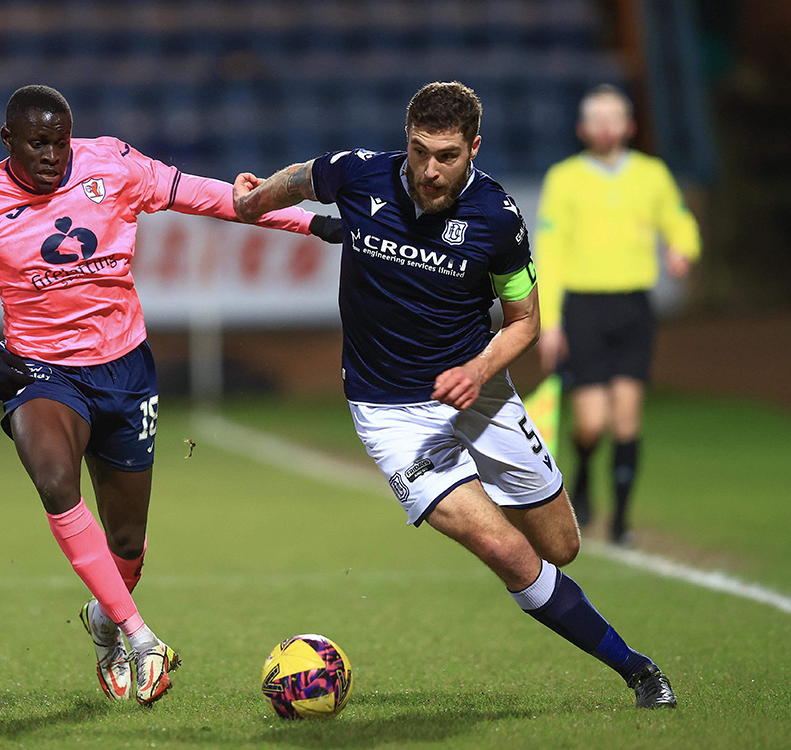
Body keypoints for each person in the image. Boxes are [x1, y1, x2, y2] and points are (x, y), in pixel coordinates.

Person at [233, 81, 676, 709]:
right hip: (390, 413)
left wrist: (478, 368)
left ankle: (479, 482)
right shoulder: (358, 176)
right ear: (405, 142)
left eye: (447, 155)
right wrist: (255, 202)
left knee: (562, 547)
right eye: (419, 152)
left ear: (474, 148)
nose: (430, 170)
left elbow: (526, 320)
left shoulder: (498, 218)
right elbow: (303, 176)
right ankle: (639, 671)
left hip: (482, 396)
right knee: (506, 550)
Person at [0, 84, 339, 705]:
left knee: (128, 544)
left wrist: (312, 223)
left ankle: (107, 621)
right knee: (56, 482)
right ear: (8, 141)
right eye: (38, 144)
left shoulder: (112, 165)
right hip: (43, 374)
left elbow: (214, 198)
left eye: (60, 141)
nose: (54, 155)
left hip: (126, 370)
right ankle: (141, 638)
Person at [534, 84, 701, 544]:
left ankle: (622, 521)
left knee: (627, 417)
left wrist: (683, 248)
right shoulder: (564, 179)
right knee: (591, 422)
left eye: (615, 118)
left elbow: (679, 220)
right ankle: (585, 474)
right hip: (584, 309)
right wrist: (550, 323)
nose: (606, 126)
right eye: (597, 118)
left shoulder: (652, 175)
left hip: (633, 308)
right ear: (582, 128)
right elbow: (550, 253)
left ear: (629, 125)